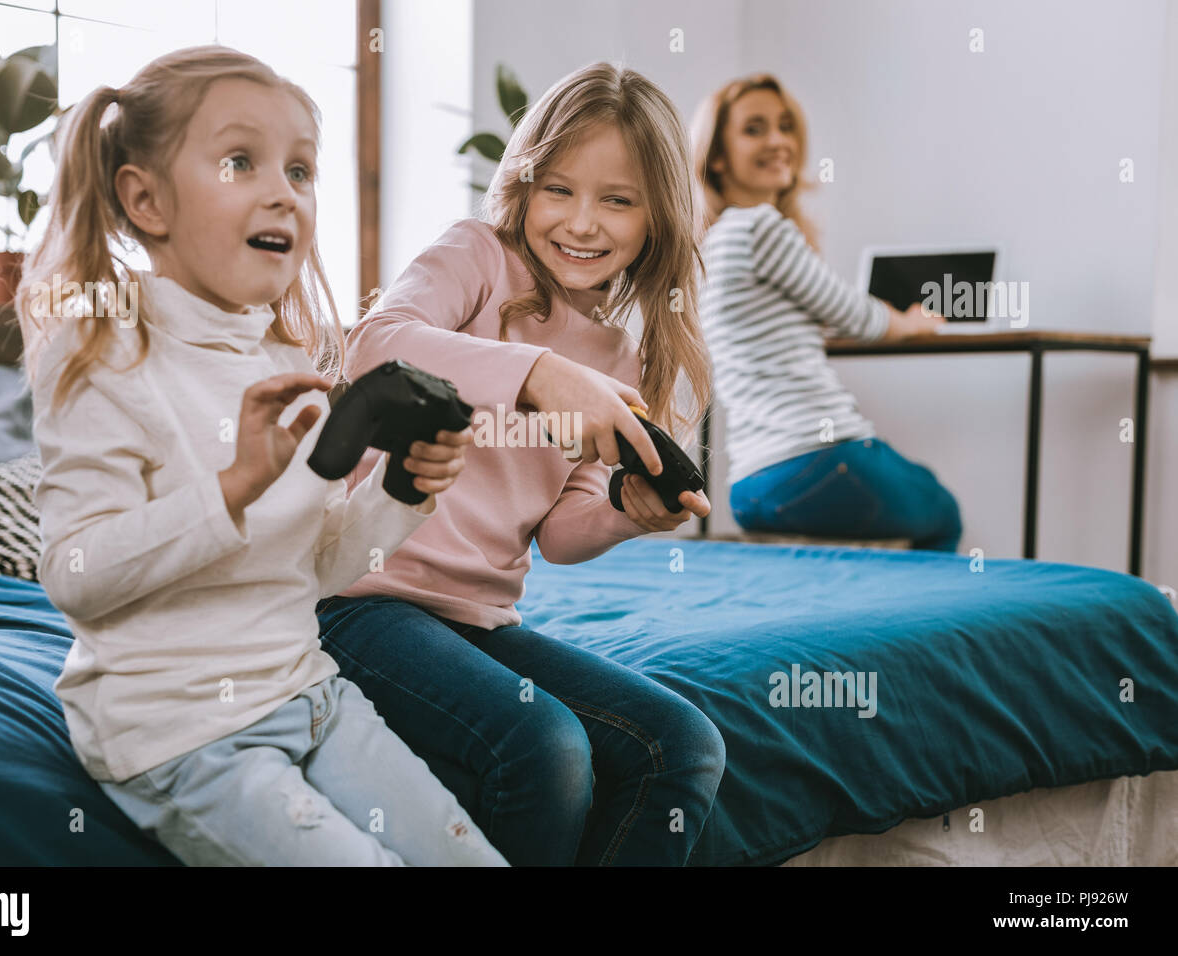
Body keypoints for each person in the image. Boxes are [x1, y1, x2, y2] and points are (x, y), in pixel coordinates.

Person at [17, 46, 506, 866]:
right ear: (145, 199)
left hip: (310, 695)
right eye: (240, 162)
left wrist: (400, 490)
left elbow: (308, 573)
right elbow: (75, 574)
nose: (283, 190)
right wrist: (232, 486)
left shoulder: (285, 365)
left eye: (302, 171)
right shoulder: (102, 358)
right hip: (182, 733)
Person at [316, 62, 726, 866]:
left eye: (618, 200)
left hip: (477, 619)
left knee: (683, 747)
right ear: (525, 186)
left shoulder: (623, 357)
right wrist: (539, 373)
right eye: (559, 191)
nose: (581, 222)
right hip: (356, 601)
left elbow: (563, 536)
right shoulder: (475, 257)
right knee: (546, 745)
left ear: (656, 219)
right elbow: (376, 346)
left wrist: (625, 511)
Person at [689, 73, 963, 551]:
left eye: (785, 126)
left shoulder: (711, 243)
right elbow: (859, 318)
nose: (778, 141)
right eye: (754, 129)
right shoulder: (759, 226)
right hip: (817, 457)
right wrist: (912, 321)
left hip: (751, 484)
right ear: (716, 156)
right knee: (942, 513)